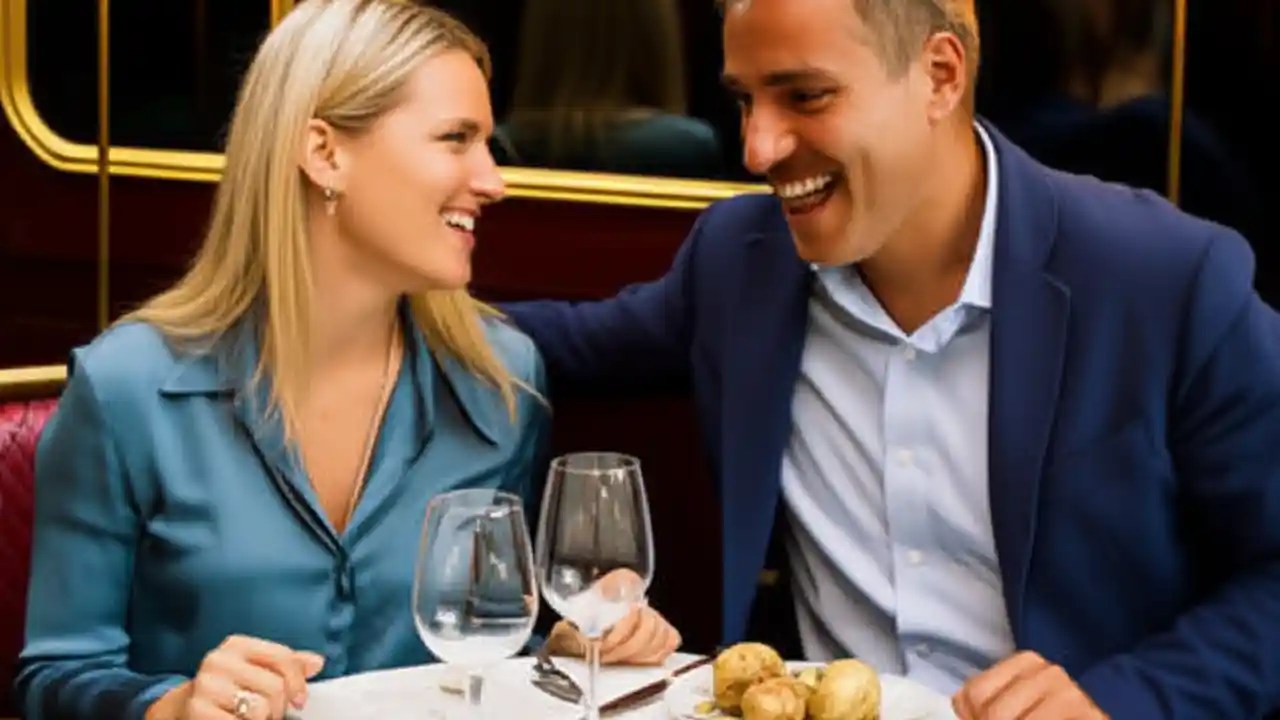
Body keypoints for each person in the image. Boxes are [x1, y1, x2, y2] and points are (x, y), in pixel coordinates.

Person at [501, 0, 1280, 717]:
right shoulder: (739, 264)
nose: (756, 146)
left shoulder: (1163, 278)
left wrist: (1119, 702)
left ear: (940, 75)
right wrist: (388, 281)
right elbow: (544, 344)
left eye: (805, 96)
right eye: (744, 99)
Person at [15, 2, 678, 719]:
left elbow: (484, 648)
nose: (494, 180)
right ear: (324, 152)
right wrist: (171, 706)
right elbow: (56, 673)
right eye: (456, 139)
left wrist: (570, 646)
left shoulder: (501, 381)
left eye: (486, 143)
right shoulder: (126, 389)